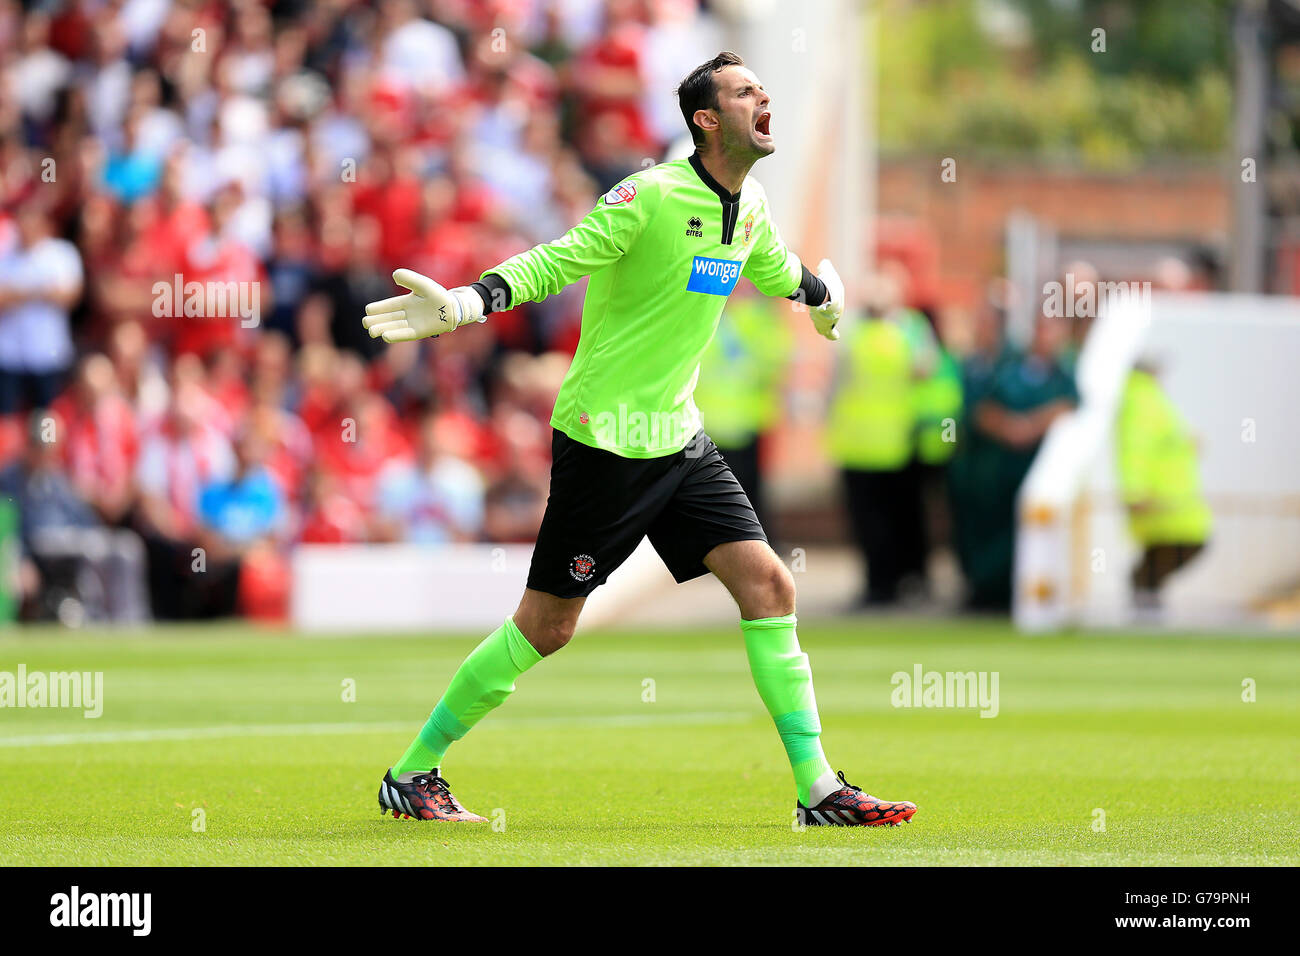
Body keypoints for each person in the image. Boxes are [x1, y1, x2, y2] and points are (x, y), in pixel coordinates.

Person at [361, 52, 916, 827]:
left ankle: (818, 789)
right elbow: (560, 259)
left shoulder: (747, 205)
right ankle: (414, 770)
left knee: (770, 586)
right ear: (707, 119)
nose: (764, 95)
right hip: (604, 443)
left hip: (680, 442)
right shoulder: (650, 194)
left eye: (763, 86)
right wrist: (467, 301)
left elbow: (776, 267)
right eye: (744, 90)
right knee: (548, 627)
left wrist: (824, 297)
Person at [1116, 364, 1211, 614]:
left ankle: (1146, 593)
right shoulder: (1141, 400)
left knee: (1164, 552)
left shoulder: (1151, 398)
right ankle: (1144, 588)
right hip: (1161, 500)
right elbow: (1134, 450)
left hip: (1172, 499)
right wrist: (1135, 492)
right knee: (1185, 544)